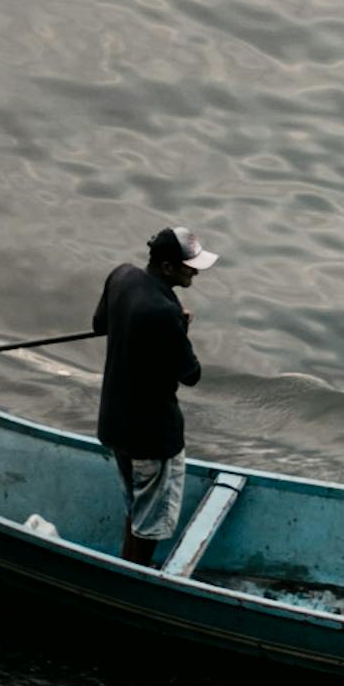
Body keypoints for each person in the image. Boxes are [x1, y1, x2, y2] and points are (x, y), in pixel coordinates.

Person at [93, 226, 217, 564]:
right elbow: (191, 374)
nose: (194, 271)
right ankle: (134, 578)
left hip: (116, 425)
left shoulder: (122, 276)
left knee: (136, 508)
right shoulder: (163, 312)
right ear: (166, 267)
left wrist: (171, 324)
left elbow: (100, 325)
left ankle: (126, 565)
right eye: (188, 265)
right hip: (152, 435)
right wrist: (179, 327)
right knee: (149, 522)